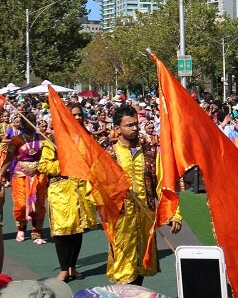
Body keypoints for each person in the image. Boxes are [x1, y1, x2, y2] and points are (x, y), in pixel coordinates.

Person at [107, 105, 182, 285]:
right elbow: (97, 188)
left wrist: (174, 213)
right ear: (117, 129)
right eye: (129, 125)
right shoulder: (109, 155)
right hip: (120, 220)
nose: (134, 128)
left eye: (136, 124)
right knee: (124, 268)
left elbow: (163, 185)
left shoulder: (150, 152)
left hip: (146, 218)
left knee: (142, 262)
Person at [38, 105, 98, 282]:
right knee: (62, 232)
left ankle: (73, 267)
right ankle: (64, 269)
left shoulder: (86, 137)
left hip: (81, 189)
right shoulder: (53, 140)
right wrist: (65, 162)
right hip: (61, 192)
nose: (78, 118)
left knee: (78, 231)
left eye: (80, 114)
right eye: (74, 115)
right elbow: (44, 166)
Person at [0, 117, 48, 243]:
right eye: (27, 122)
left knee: (39, 202)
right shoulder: (16, 140)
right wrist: (1, 174)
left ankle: (37, 231)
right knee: (21, 204)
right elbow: (9, 159)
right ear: (22, 124)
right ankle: (21, 228)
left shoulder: (43, 137)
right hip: (20, 174)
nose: (30, 125)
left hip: (39, 174)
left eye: (32, 122)